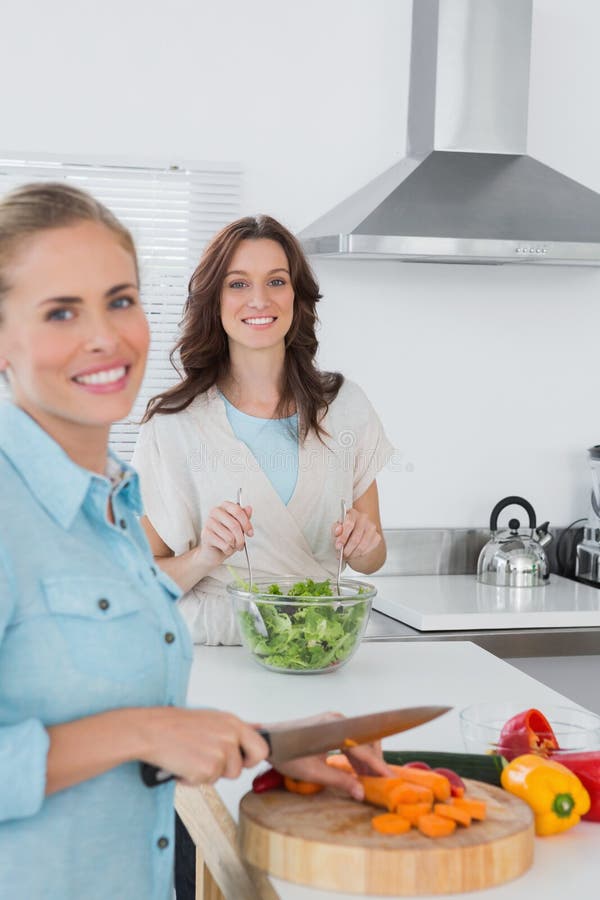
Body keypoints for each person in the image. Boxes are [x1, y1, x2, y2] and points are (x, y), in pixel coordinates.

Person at [0, 184, 388, 900]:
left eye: (120, 300)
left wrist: (267, 742)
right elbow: (131, 729)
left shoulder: (108, 500)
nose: (104, 337)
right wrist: (144, 732)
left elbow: (103, 712)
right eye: (60, 310)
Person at [133, 215, 394, 645]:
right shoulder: (172, 424)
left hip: (319, 644)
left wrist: (366, 546)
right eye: (238, 284)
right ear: (214, 300)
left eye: (276, 281)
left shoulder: (344, 407)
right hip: (217, 650)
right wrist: (204, 556)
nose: (259, 300)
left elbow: (372, 557)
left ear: (296, 296)